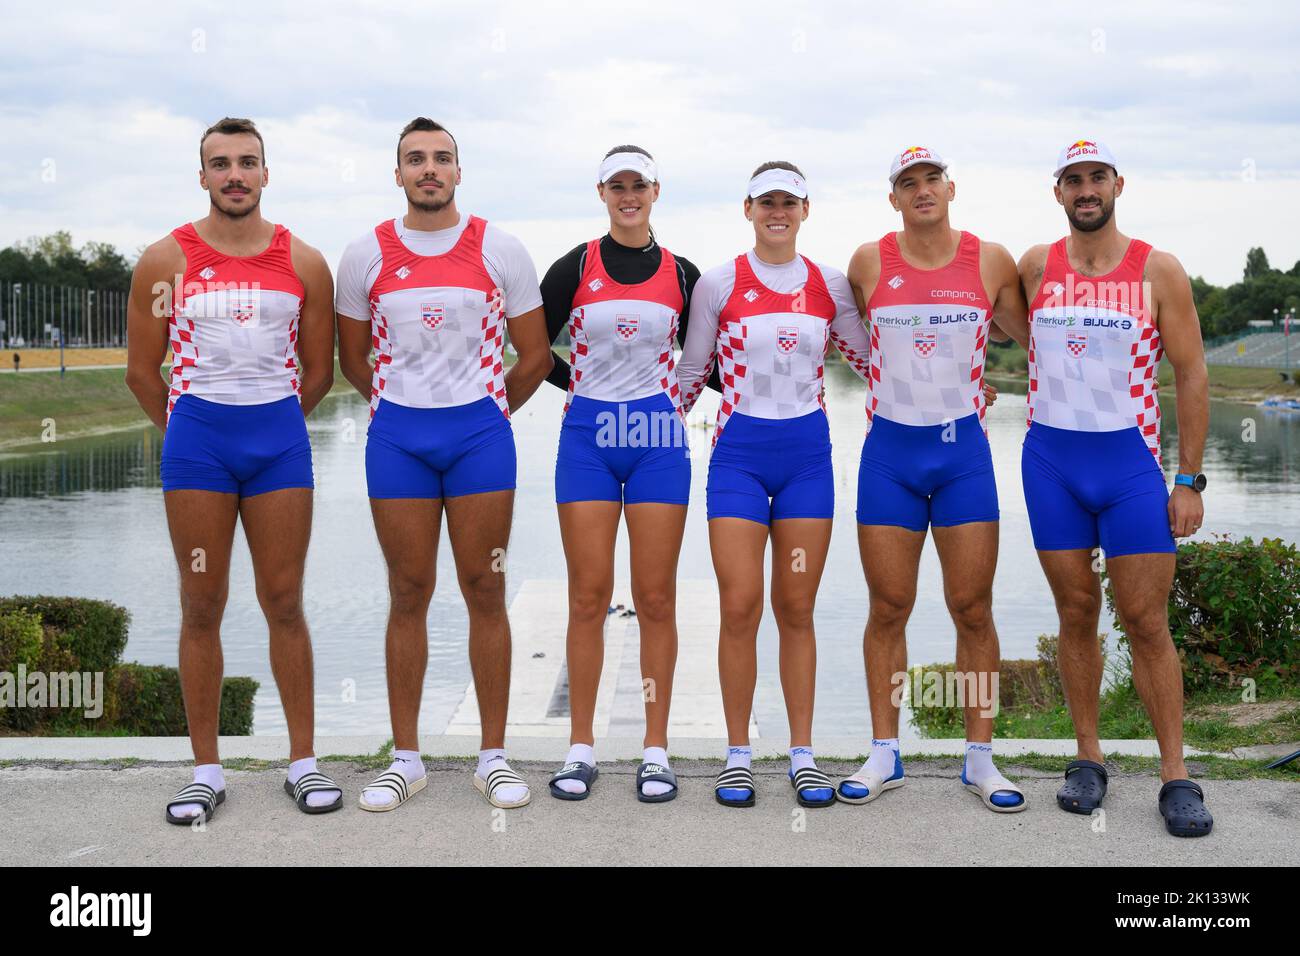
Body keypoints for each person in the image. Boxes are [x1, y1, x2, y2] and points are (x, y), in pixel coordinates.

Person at [126, 117, 341, 824]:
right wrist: (193, 431)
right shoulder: (165, 260)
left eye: (247, 162)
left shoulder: (304, 262)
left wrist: (269, 420)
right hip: (198, 446)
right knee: (201, 604)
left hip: (277, 442)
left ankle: (303, 765)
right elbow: (140, 371)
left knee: (284, 599)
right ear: (203, 176)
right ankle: (206, 770)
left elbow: (318, 372)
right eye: (221, 164)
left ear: (266, 173)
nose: (235, 175)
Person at [335, 118, 553, 811]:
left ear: (459, 172)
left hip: (479, 439)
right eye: (415, 160)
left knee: (484, 589)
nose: (429, 169)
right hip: (398, 438)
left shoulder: (501, 248)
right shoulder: (365, 253)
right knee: (408, 591)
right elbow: (352, 360)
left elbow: (536, 358)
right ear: (397, 174)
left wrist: (483, 414)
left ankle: (494, 756)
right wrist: (404, 407)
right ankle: (406, 759)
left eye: (442, 159)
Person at [1015, 140, 1212, 836]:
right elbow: (1002, 332)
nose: (1087, 189)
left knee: (1146, 619)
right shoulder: (1036, 265)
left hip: (1129, 466)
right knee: (1075, 610)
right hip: (1050, 461)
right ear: (1059, 192)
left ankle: (1175, 774)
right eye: (1074, 180)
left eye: (1097, 177)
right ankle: (1088, 758)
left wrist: (1187, 480)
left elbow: (1190, 374)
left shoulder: (1158, 269)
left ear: (1118, 184)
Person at [677, 162, 872, 808]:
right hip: (738, 458)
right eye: (766, 202)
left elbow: (873, 360)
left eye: (788, 201)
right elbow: (688, 376)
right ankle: (738, 754)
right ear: (748, 208)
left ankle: (803, 755)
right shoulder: (719, 283)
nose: (777, 212)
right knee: (740, 605)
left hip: (807, 462)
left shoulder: (830, 284)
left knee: (796, 608)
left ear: (805, 209)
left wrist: (957, 384)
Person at [840, 147, 1029, 812]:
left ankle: (979, 759)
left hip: (963, 456)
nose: (921, 191)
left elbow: (1033, 336)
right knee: (888, 607)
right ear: (893, 198)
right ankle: (884, 753)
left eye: (931, 180)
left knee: (972, 608)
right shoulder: (868, 262)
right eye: (906, 184)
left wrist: (985, 386)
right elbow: (846, 339)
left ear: (951, 187)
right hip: (890, 453)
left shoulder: (992, 260)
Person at [538, 146, 716, 802]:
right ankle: (581, 746)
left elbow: (711, 361)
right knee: (587, 596)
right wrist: (573, 381)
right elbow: (532, 346)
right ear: (603, 192)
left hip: (656, 439)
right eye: (618, 185)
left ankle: (655, 750)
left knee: (656, 597)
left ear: (655, 191)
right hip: (588, 436)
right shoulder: (575, 265)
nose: (628, 195)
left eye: (638, 184)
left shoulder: (683, 273)